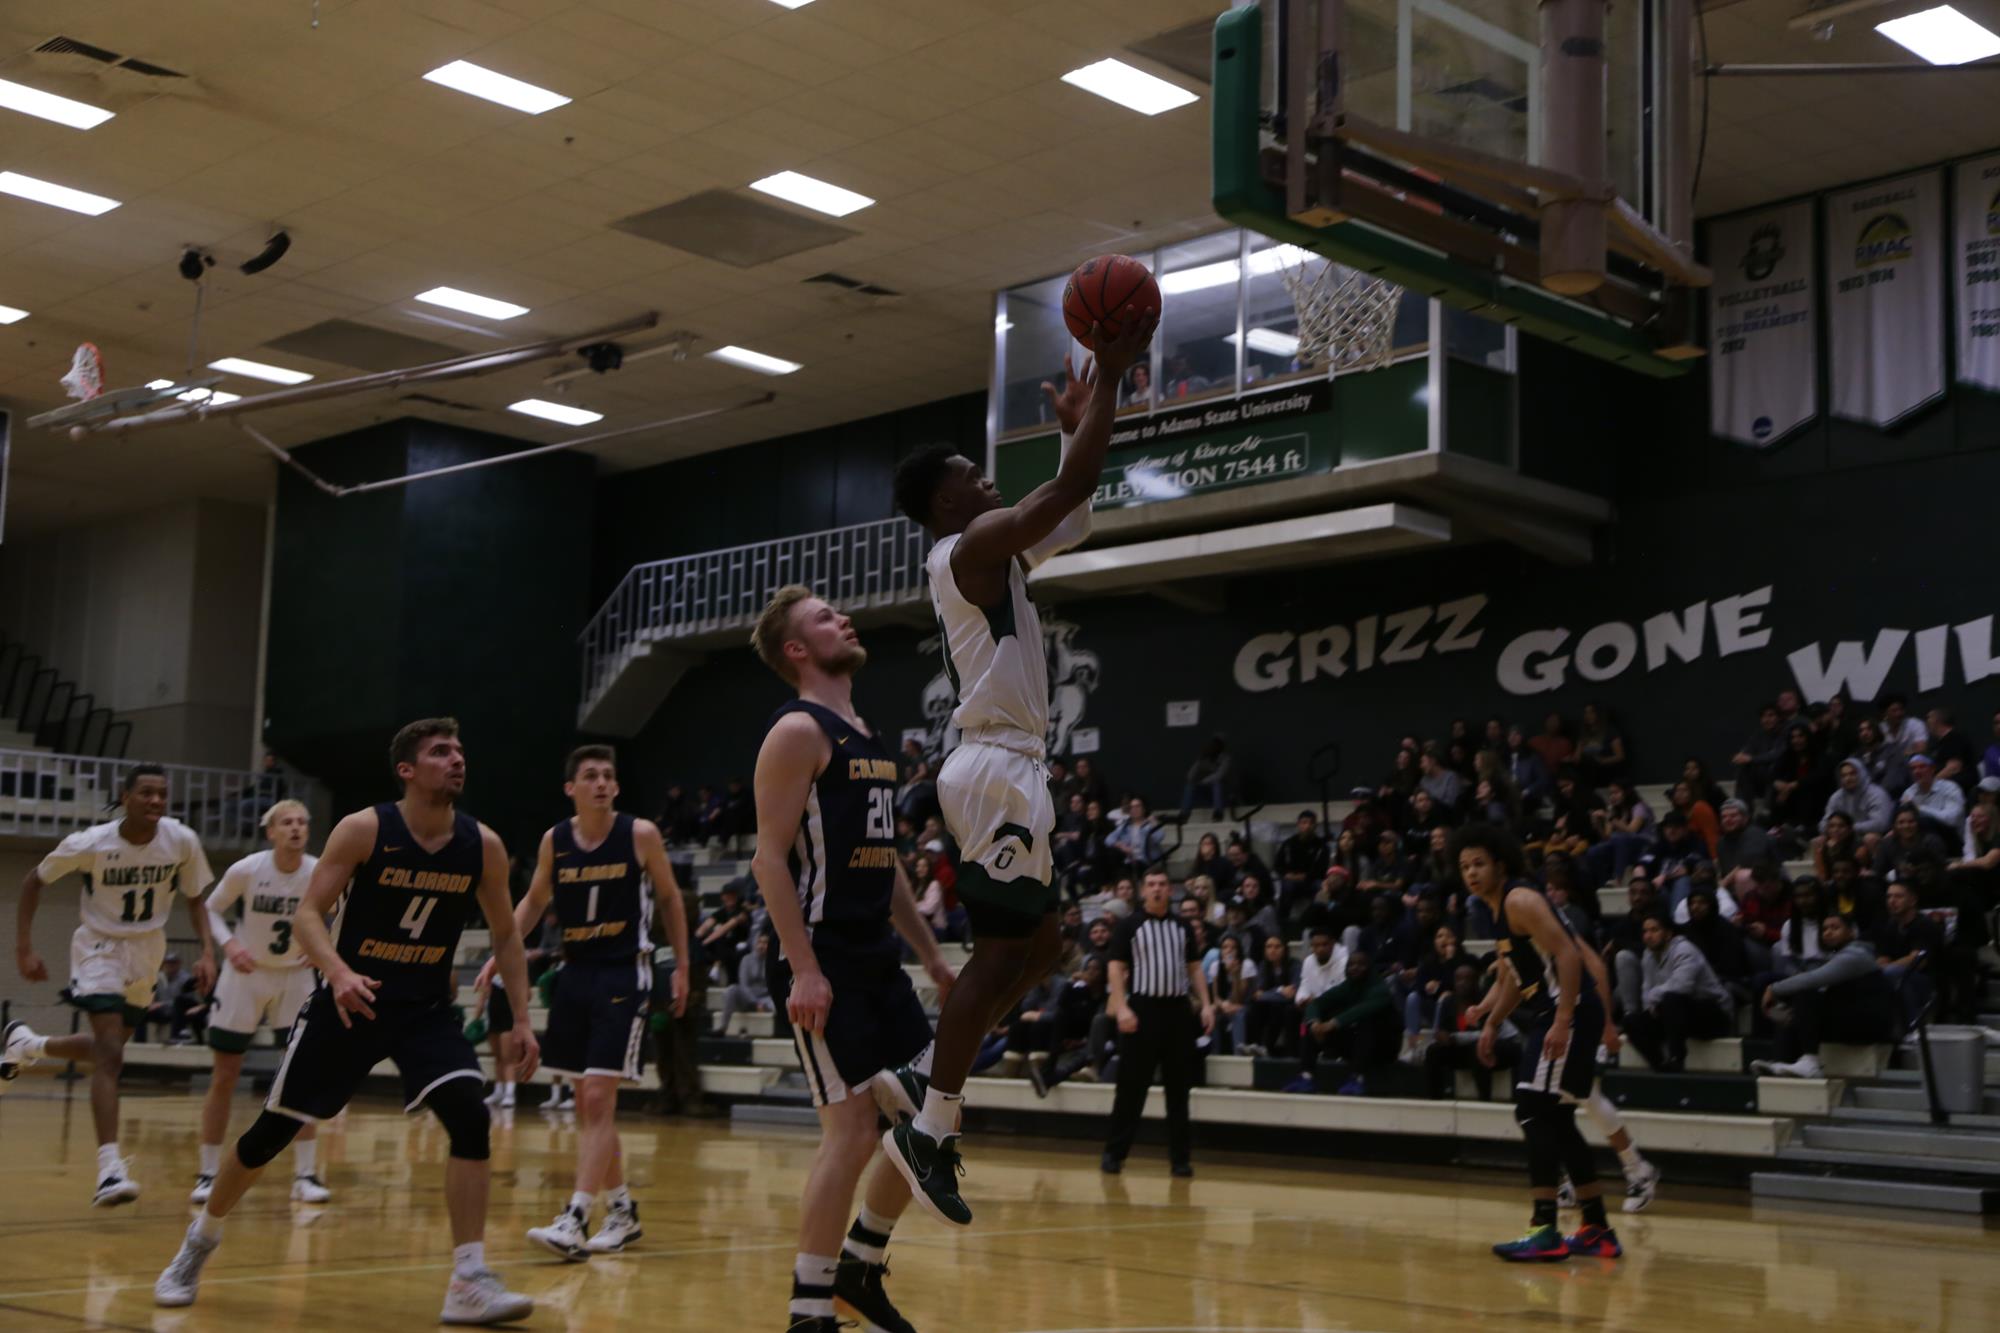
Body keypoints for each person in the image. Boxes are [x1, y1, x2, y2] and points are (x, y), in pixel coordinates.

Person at [884, 321, 1156, 1230]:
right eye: (968, 467)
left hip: (1013, 768)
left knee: (1044, 950)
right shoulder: (964, 550)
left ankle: (933, 1085)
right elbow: (1067, 484)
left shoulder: (993, 551)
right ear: (941, 499)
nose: (984, 472)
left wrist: (1090, 419)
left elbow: (1076, 507)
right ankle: (933, 1117)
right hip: (992, 765)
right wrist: (1111, 376)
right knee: (1003, 952)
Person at [151, 719, 539, 1322]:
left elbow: (507, 934)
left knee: (469, 1112)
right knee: (268, 1136)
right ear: (406, 770)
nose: (457, 760)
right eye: (441, 752)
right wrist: (337, 972)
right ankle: (198, 1241)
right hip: (348, 1002)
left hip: (424, 1010)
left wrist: (521, 1018)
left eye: (460, 750)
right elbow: (310, 915)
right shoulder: (365, 828)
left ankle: (469, 1277)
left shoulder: (481, 844)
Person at [749, 587, 959, 1333]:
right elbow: (768, 860)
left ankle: (861, 1265)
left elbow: (886, 862)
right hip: (822, 954)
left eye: (839, 611)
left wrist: (931, 955)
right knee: (851, 1130)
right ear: (797, 650)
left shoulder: (862, 732)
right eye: (823, 617)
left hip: (877, 957)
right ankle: (810, 1310)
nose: (843, 618)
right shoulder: (797, 731)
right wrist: (804, 967)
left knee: (941, 1107)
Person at [486, 745, 693, 1262]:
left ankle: (575, 1216)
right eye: (590, 776)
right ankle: (621, 1211)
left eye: (608, 776)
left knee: (598, 1099)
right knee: (587, 1104)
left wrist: (683, 965)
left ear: (616, 787)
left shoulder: (640, 834)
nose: (601, 783)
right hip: (576, 973)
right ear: (571, 789)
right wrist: (501, 950)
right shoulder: (555, 841)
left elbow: (669, 898)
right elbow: (534, 902)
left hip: (626, 971)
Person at [5, 765, 217, 1207]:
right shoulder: (90, 843)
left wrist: (207, 952)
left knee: (107, 1050)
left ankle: (27, 1044)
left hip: (147, 951)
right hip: (98, 947)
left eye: (162, 794)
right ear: (125, 797)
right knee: (112, 1054)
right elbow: (33, 881)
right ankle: (109, 1169)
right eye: (146, 793)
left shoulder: (181, 840)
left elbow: (196, 898)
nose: (156, 801)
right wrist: (24, 948)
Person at [1454, 823, 1622, 1263]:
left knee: (1532, 1111)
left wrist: (1563, 1019)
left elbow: (1568, 955)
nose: (1470, 873)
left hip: (1566, 1010)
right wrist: (1491, 1023)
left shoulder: (1519, 899)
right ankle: (1597, 1228)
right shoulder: (1494, 907)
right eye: (1464, 866)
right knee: (1557, 1120)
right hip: (1559, 1010)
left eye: (1479, 864)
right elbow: (1515, 973)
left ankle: (1545, 1227)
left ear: (1500, 864)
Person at [190, 800, 328, 1206]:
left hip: (296, 976)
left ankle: (305, 1174)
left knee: (303, 1076)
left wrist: (327, 945)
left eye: (302, 822)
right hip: (246, 974)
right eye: (287, 822)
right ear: (271, 831)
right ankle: (207, 1172)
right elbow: (210, 908)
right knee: (225, 1074)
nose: (296, 829)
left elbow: (343, 909)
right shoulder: (248, 869)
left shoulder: (318, 871)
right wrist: (229, 944)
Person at [1101, 869, 1216, 1176]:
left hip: (1178, 1013)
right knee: (1130, 1089)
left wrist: (1206, 1005)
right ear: (1142, 890)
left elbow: (1195, 969)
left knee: (1179, 1090)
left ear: (1171, 890)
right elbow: (1115, 968)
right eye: (1151, 884)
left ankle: (1180, 1160)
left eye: (1163, 884)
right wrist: (1122, 1007)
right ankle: (1114, 1154)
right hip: (1142, 1010)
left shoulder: (1183, 927)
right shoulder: (1129, 925)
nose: (1157, 889)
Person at [1750, 914, 1899, 1078]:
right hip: (1854, 1019)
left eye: (1835, 928)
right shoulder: (1836, 956)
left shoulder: (1857, 955)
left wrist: (1774, 989)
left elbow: (1813, 979)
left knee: (1806, 995)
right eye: (1825, 929)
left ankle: (1810, 1063)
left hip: (1871, 1026)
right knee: (1796, 1013)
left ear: (1851, 932)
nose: (1828, 932)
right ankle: (1780, 1064)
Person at [1619, 914, 1733, 1072]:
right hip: (1674, 1015)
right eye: (1645, 931)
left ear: (1668, 933)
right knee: (1630, 1021)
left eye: (1654, 930)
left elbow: (1681, 987)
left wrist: (1654, 998)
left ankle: (1676, 1058)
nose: (1648, 936)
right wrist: (1652, 1006)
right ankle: (1659, 1065)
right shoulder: (1648, 955)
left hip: (1712, 1013)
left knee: (1672, 999)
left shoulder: (1684, 949)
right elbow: (1646, 990)